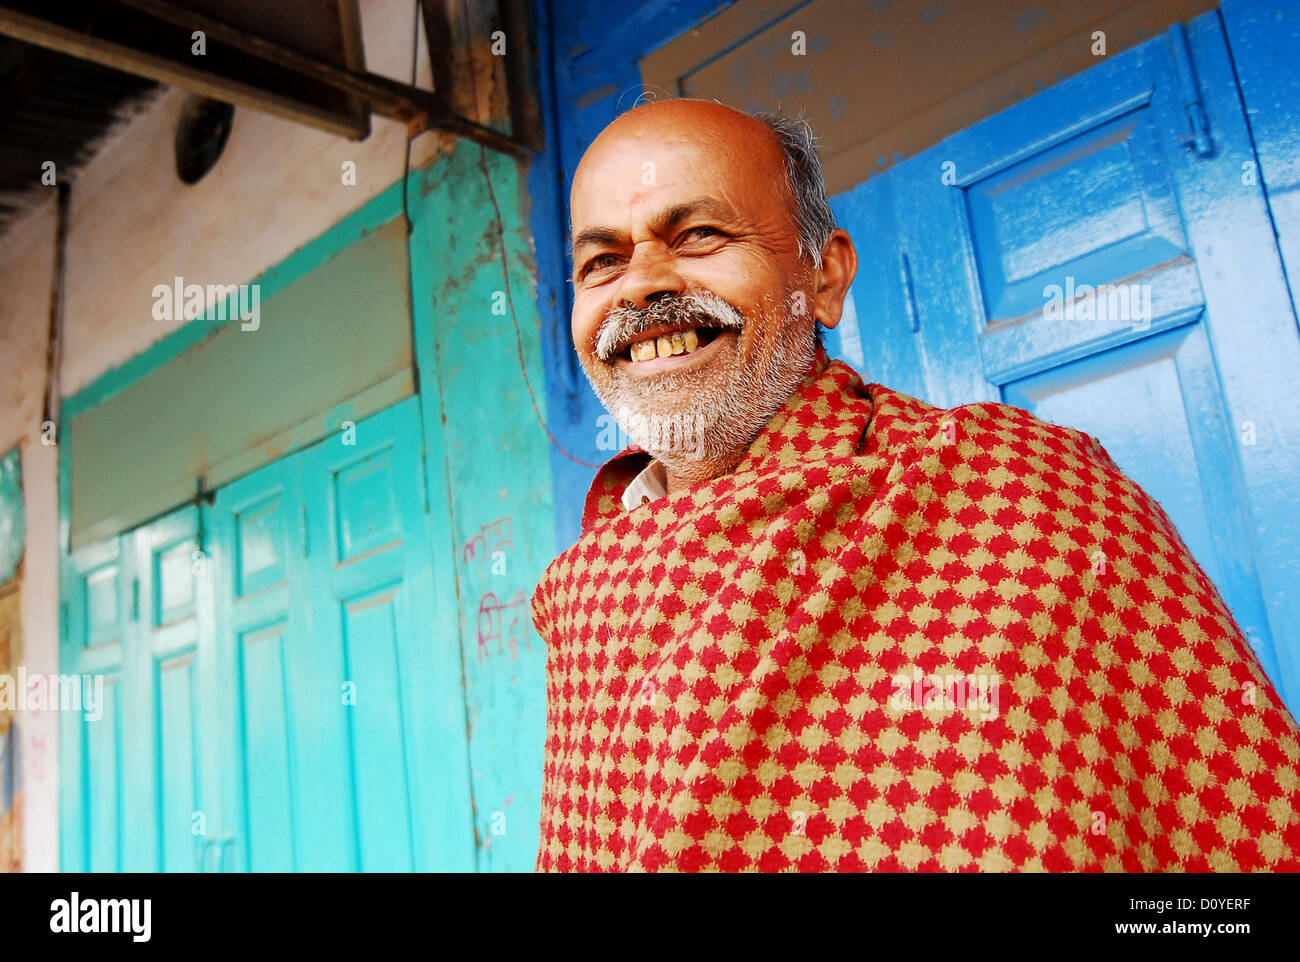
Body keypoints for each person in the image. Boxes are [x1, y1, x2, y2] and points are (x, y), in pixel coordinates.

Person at [530, 98, 1300, 871]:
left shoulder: (1027, 491)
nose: (640, 288)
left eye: (698, 235)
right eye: (603, 261)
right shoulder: (591, 595)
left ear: (824, 275)